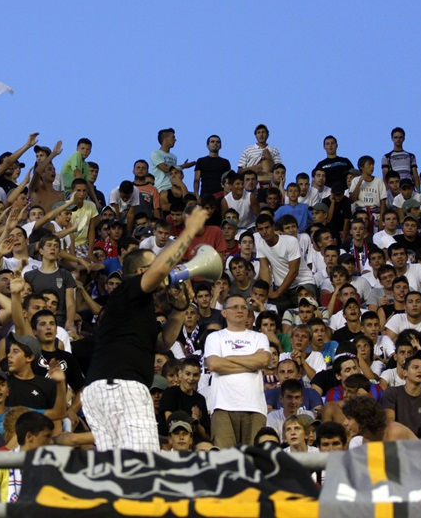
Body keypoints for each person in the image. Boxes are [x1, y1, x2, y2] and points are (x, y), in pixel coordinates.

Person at [82, 207, 207, 452]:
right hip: (122, 386)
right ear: (141, 273)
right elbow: (160, 270)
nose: (164, 274)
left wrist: (180, 310)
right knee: (143, 461)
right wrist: (190, 230)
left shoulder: (135, 306)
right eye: (153, 268)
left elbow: (161, 344)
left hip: (105, 388)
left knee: (117, 466)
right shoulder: (128, 289)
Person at [204, 293, 271, 447]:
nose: (240, 310)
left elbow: (263, 361)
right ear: (224, 312)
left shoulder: (259, 337)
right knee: (226, 461)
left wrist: (227, 359)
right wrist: (251, 361)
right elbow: (214, 364)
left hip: (254, 406)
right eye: (234, 307)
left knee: (254, 461)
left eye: (243, 307)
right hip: (222, 406)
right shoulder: (215, 337)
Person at [238, 124, 282, 189]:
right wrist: (252, 169)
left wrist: (269, 158)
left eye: (263, 132)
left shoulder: (274, 150)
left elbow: (280, 170)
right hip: (253, 186)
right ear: (255, 135)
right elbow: (239, 171)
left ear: (267, 135)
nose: (261, 134)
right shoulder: (248, 150)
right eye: (258, 132)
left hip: (270, 185)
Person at [382, 127, 420, 193]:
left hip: (409, 187)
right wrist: (387, 192)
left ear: (404, 139)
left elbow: (415, 174)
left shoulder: (411, 156)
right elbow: (385, 176)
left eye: (400, 137)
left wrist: (418, 191)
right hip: (395, 189)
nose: (398, 139)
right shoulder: (386, 157)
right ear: (392, 139)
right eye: (396, 137)